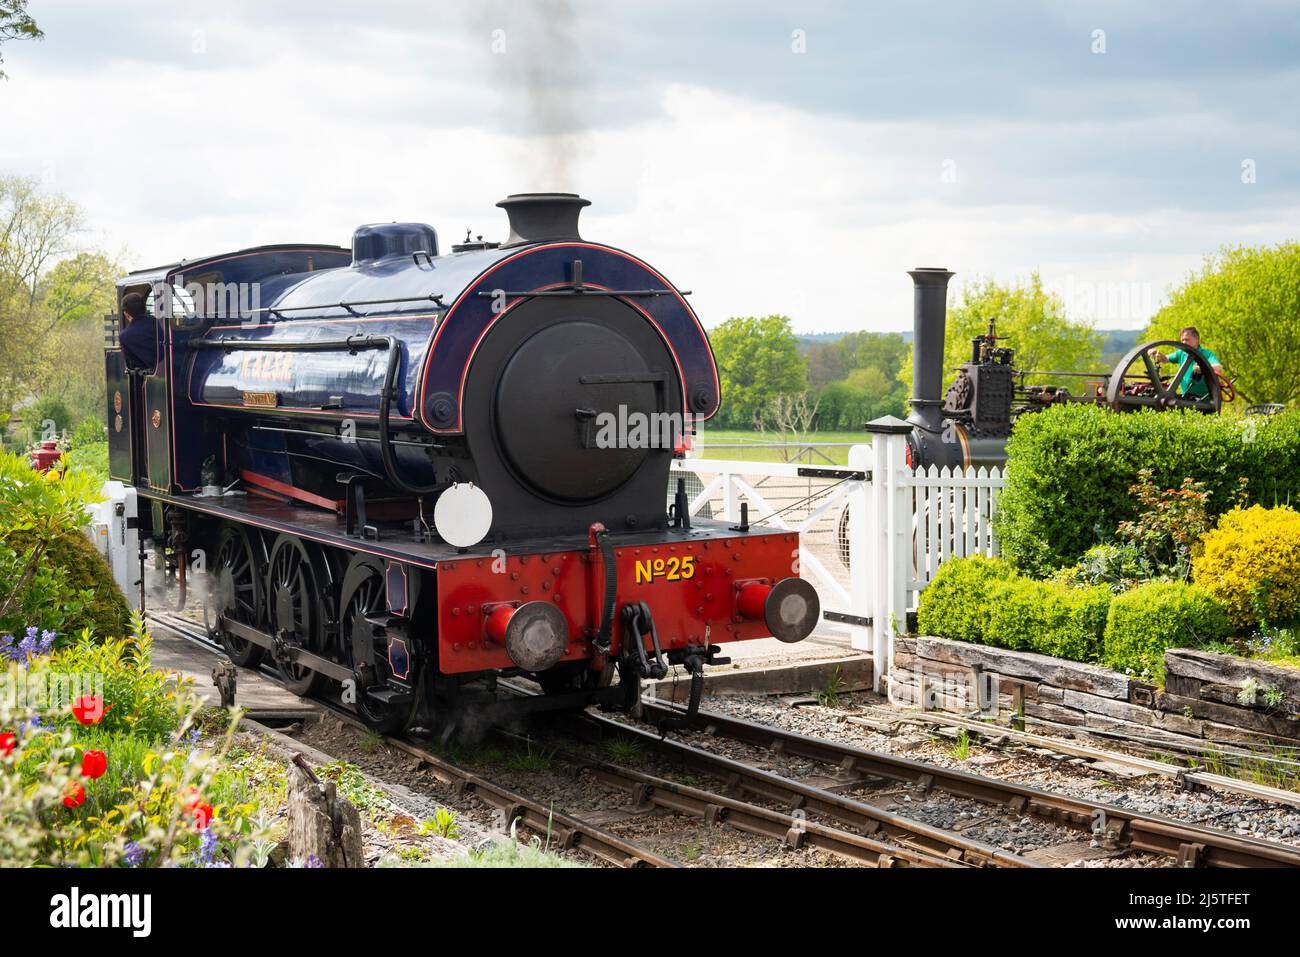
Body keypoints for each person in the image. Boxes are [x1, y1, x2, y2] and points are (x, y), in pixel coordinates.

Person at [1153, 326, 1222, 400]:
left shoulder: (1207, 354)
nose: (1184, 343)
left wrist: (1202, 368)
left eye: (1187, 340)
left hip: (1204, 399)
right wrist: (1157, 354)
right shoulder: (1181, 353)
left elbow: (1218, 367)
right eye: (1182, 340)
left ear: (1196, 339)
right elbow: (1165, 359)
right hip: (1186, 398)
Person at [118, 291, 163, 371]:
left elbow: (133, 360)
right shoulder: (155, 323)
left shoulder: (124, 336)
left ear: (126, 314)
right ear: (145, 309)